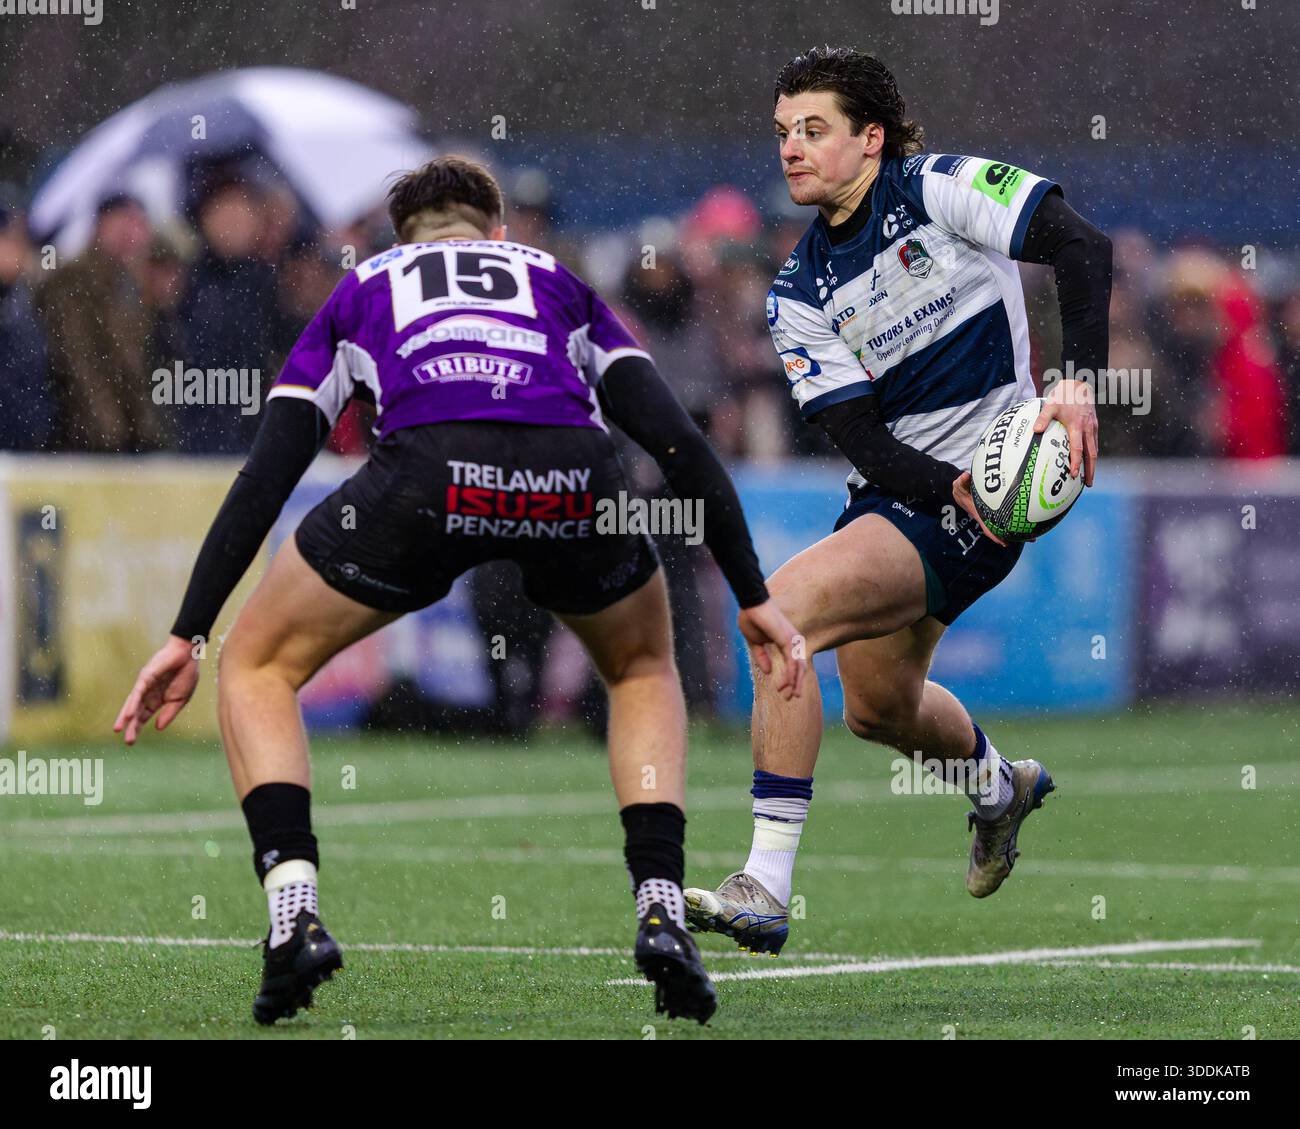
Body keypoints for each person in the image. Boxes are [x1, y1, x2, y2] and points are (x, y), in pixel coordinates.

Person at [114, 156, 805, 1025]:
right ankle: (661, 907)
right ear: (497, 231)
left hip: (429, 478)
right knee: (639, 668)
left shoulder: (368, 284)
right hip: (569, 477)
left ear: (401, 238)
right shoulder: (553, 278)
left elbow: (269, 470)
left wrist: (188, 631)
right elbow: (677, 441)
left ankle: (294, 915)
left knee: (254, 663)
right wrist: (751, 592)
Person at [684, 47, 1111, 955]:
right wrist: (939, 484)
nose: (792, 148)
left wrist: (1076, 385)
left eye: (814, 129)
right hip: (913, 494)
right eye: (783, 132)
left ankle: (766, 881)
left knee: (779, 617)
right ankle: (1000, 788)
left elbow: (1082, 245)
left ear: (871, 138)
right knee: (877, 707)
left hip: (991, 490)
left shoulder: (939, 187)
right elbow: (862, 436)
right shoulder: (797, 290)